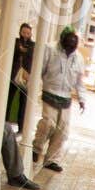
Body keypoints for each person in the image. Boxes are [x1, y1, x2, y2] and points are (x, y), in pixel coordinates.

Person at [32, 27, 85, 173]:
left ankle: (51, 160)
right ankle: (36, 148)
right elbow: (39, 70)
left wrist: (82, 99)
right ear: (62, 39)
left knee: (62, 129)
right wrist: (35, 87)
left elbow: (80, 81)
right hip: (50, 92)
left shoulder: (78, 58)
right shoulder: (50, 49)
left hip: (66, 97)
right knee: (48, 123)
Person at [8, 22, 34, 133]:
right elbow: (13, 54)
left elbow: (33, 59)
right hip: (13, 75)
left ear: (31, 34)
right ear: (20, 32)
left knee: (23, 103)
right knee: (8, 99)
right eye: (23, 32)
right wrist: (20, 49)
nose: (25, 35)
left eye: (28, 33)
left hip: (26, 77)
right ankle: (4, 122)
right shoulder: (15, 42)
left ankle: (21, 128)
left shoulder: (33, 46)